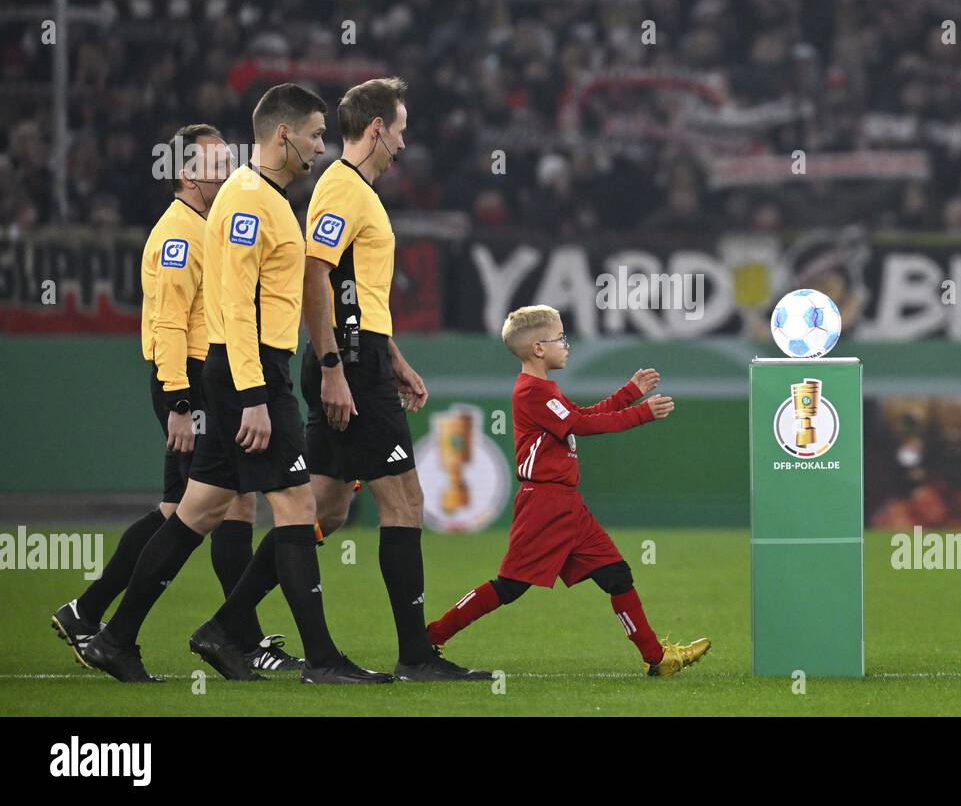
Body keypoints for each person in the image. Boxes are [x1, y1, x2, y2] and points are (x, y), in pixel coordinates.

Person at [80, 84, 389, 684]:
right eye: (316, 134)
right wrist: (253, 396)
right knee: (297, 508)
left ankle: (115, 637)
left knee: (197, 510)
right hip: (251, 372)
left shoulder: (260, 197)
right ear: (284, 135)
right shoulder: (249, 202)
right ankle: (317, 658)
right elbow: (235, 306)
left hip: (241, 371)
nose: (321, 147)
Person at [52, 123, 302, 673]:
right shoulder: (178, 236)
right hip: (188, 382)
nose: (229, 170)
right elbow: (166, 324)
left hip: (203, 379)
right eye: (215, 164)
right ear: (188, 175)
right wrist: (180, 404)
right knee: (199, 508)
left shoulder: (206, 226)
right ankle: (113, 619)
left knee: (214, 505)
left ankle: (95, 615)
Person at [300, 77, 489, 681]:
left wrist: (394, 357)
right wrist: (334, 367)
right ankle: (415, 656)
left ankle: (227, 627)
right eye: (401, 131)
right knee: (405, 501)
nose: (404, 145)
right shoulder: (343, 187)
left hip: (359, 357)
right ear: (377, 128)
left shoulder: (353, 190)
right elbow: (314, 276)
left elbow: (357, 294)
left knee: (322, 512)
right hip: (347, 366)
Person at [423, 305, 711, 677]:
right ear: (539, 348)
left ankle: (658, 659)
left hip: (566, 503)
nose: (566, 343)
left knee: (616, 575)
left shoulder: (544, 389)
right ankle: (431, 636)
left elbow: (582, 417)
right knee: (510, 586)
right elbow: (582, 424)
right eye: (560, 337)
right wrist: (642, 412)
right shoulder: (532, 392)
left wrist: (629, 393)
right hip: (544, 503)